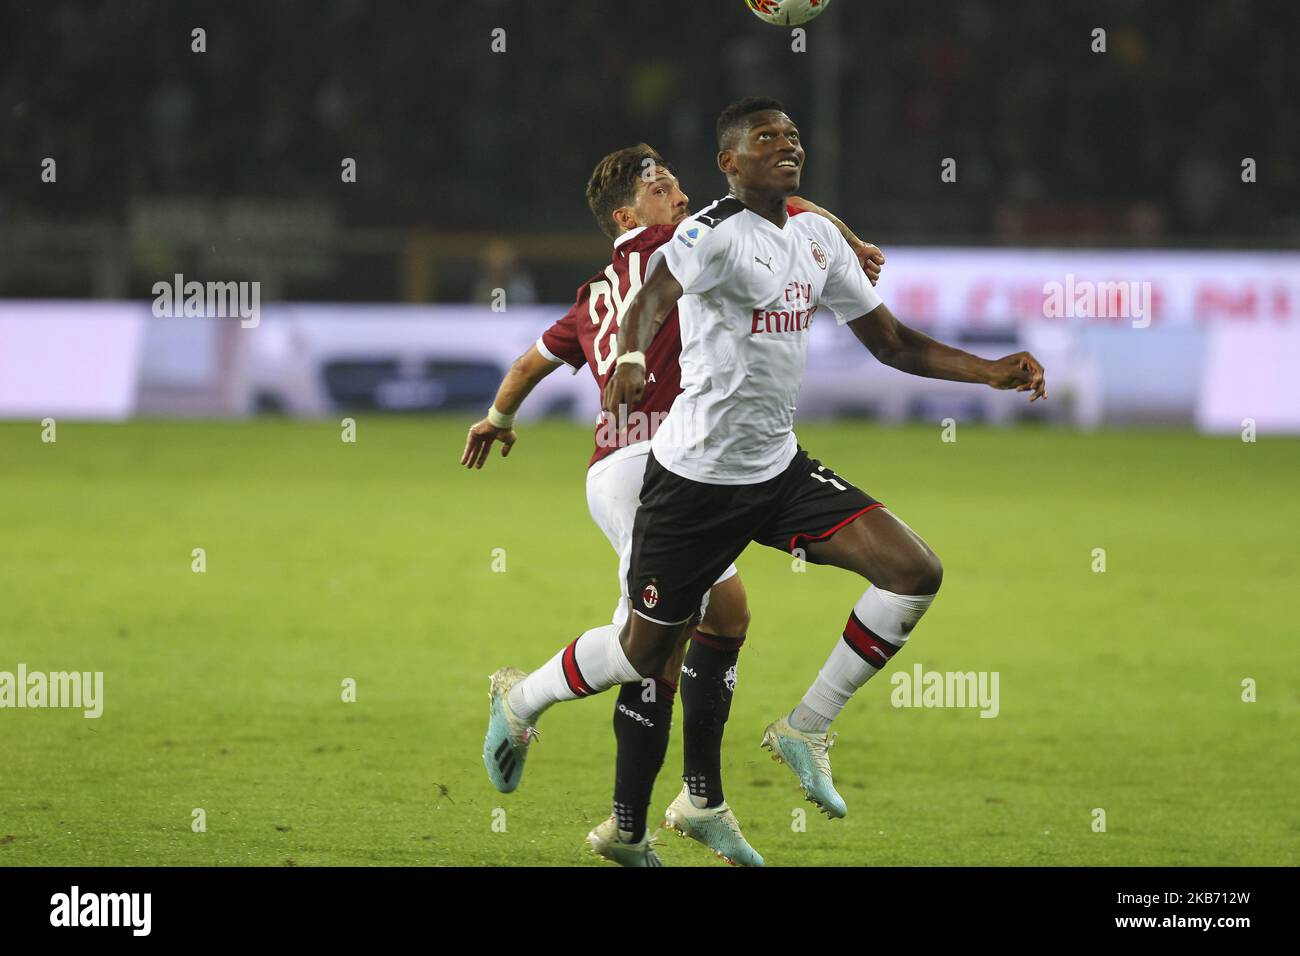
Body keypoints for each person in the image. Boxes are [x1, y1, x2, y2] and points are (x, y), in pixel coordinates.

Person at [497, 96, 1047, 862]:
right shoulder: (708, 232)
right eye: (767, 137)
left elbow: (890, 343)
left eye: (792, 136)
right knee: (642, 655)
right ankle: (523, 698)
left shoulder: (816, 237)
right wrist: (626, 356)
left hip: (776, 468)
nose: (786, 145)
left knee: (914, 572)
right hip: (689, 482)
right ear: (730, 161)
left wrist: (989, 371)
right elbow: (655, 294)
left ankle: (805, 727)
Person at [467, 142, 883, 866]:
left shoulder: (593, 290)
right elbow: (782, 203)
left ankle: (681, 806)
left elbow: (527, 363)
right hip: (645, 470)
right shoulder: (678, 245)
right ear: (628, 215)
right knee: (646, 646)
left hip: (674, 469)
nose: (679, 194)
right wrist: (849, 240)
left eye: (676, 184)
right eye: (660, 188)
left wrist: (499, 420)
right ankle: (527, 706)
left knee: (721, 618)